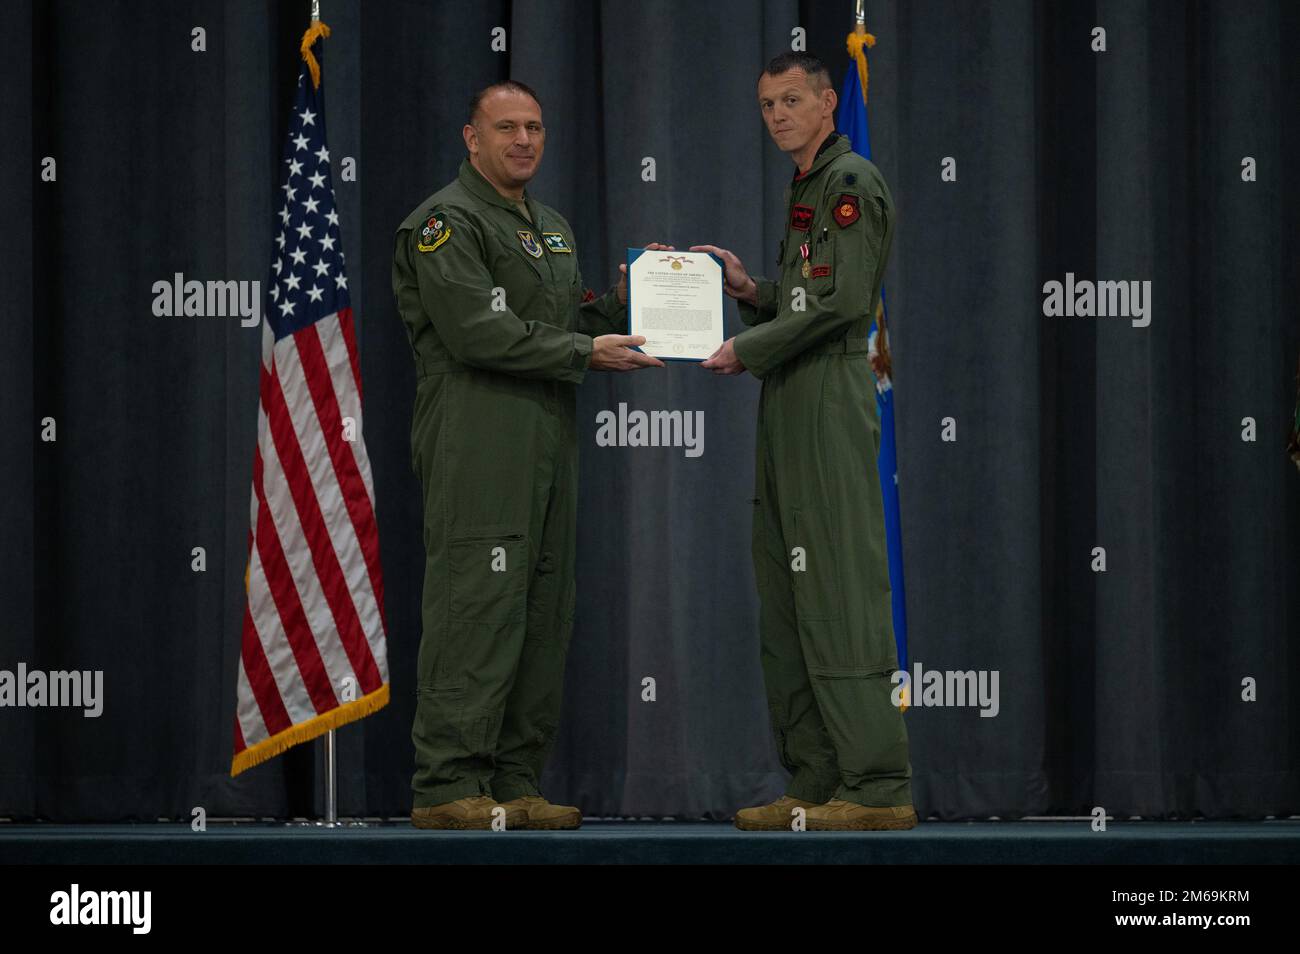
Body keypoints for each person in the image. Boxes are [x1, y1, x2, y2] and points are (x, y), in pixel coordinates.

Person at [391, 80, 667, 830]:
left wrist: (625, 301)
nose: (523, 139)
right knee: (477, 606)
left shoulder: (549, 225)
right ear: (470, 138)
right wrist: (585, 346)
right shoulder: (444, 222)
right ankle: (449, 782)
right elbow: (477, 333)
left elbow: (562, 319)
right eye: (505, 126)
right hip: (479, 435)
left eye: (535, 127)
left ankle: (513, 780)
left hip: (548, 433)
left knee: (541, 608)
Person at [693, 52, 917, 831]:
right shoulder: (808, 185)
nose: (778, 115)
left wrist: (746, 347)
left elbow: (845, 302)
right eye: (765, 105)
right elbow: (804, 296)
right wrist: (753, 294)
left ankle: (877, 787)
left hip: (824, 393)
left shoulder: (849, 182)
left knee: (837, 595)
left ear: (829, 103)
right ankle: (819, 780)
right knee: (789, 599)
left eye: (792, 100)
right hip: (790, 394)